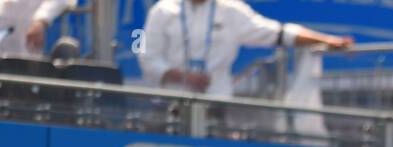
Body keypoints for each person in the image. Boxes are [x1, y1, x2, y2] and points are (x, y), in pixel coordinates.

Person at [135, 0, 352, 99]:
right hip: (170, 104)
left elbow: (279, 33)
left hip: (216, 103)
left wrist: (327, 40)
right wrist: (184, 77)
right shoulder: (162, 10)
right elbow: (148, 58)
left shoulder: (231, 9)